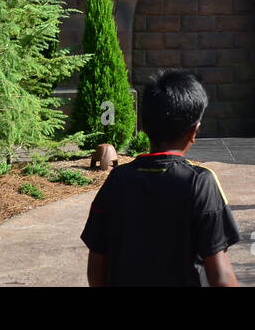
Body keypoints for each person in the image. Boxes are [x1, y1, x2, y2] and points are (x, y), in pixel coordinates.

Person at [82, 71, 240, 286]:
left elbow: (97, 259)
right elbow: (221, 276)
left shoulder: (117, 179)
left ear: (144, 126)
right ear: (194, 131)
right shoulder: (200, 182)